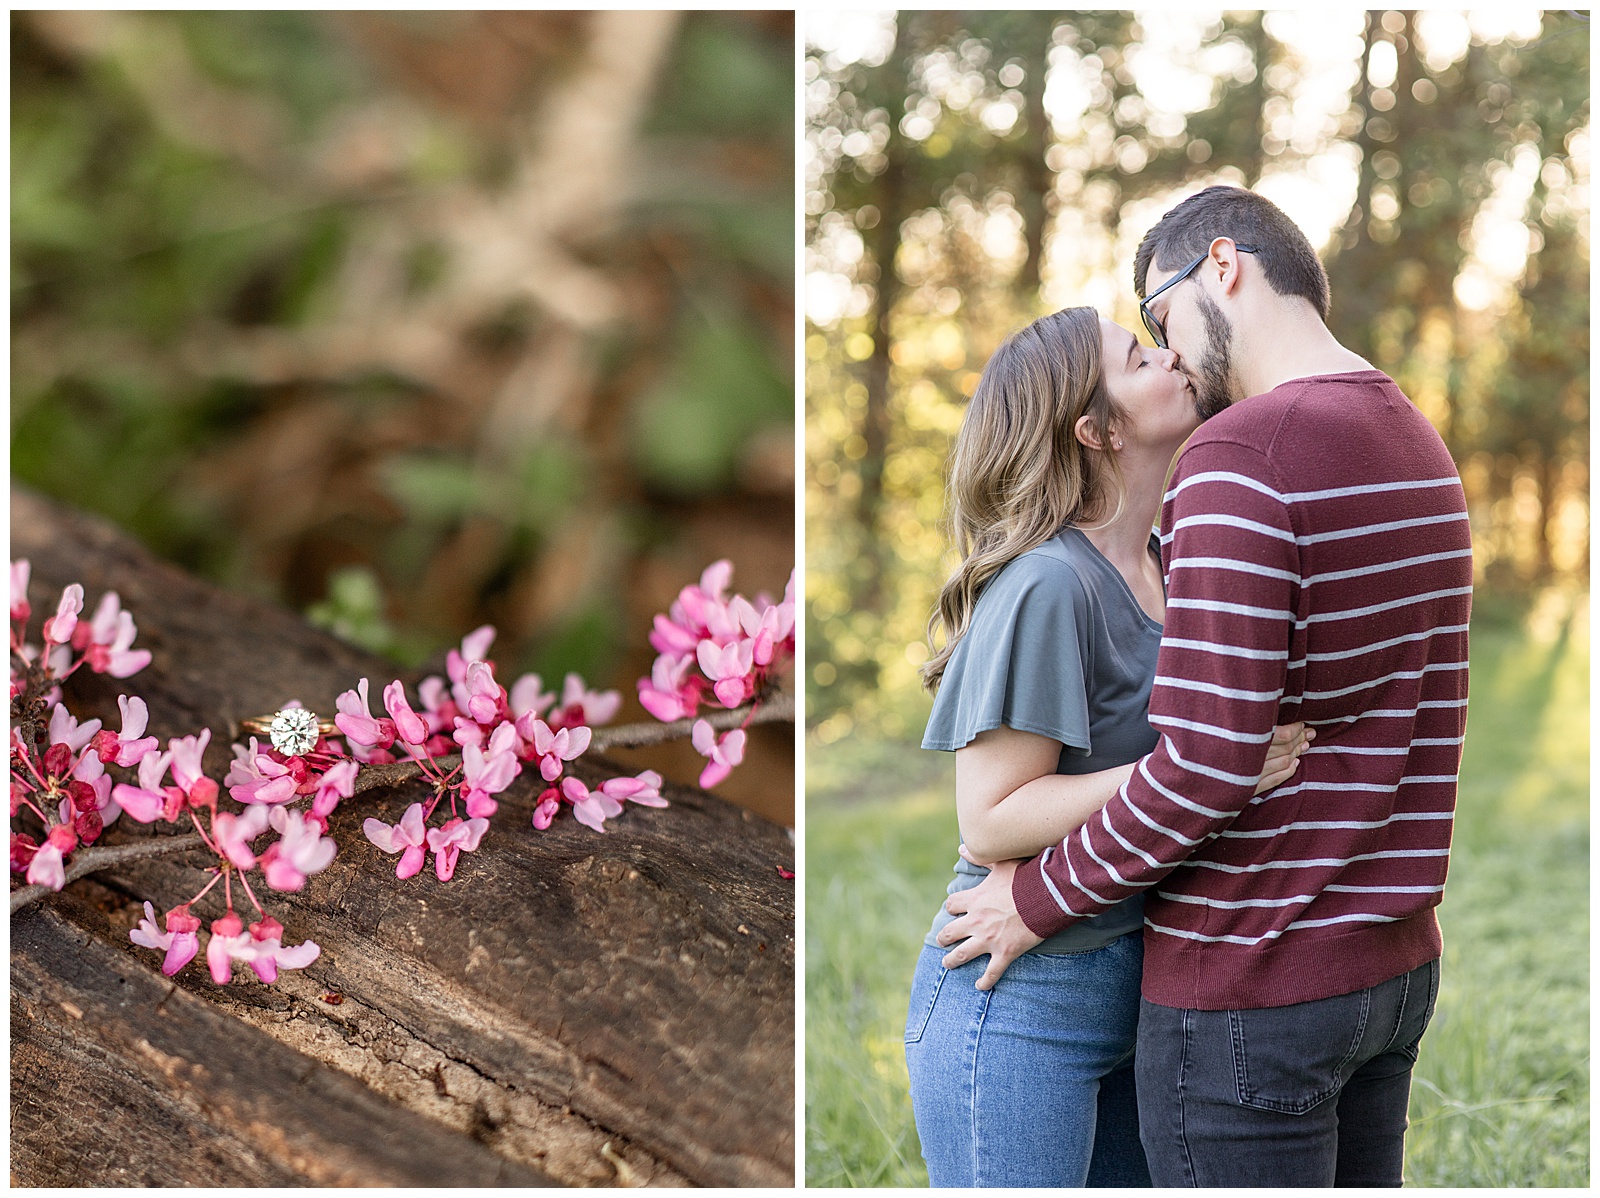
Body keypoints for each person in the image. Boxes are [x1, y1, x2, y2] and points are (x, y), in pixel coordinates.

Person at [936, 185, 1472, 1187]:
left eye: (1158, 316)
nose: (1170, 349)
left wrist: (1036, 902)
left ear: (1219, 266)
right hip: (1391, 963)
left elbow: (1207, 763)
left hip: (1255, 974)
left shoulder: (1239, 453)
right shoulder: (1417, 442)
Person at [905, 304, 1311, 1187]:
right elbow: (991, 820)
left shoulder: (1173, 562)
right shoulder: (1050, 585)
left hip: (1144, 985)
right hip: (1019, 994)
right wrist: (1198, 772)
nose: (1171, 358)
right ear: (1097, 429)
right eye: (1140, 357)